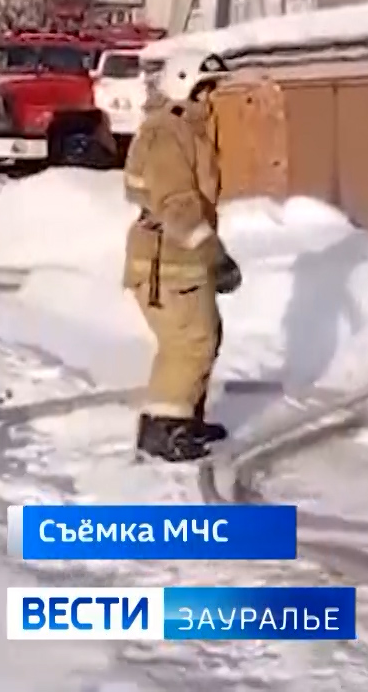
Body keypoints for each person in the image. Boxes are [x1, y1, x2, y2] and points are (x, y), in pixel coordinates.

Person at [122, 49, 241, 463]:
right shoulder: (166, 134)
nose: (209, 100)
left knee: (205, 334)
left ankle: (184, 416)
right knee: (188, 341)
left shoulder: (185, 132)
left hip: (181, 258)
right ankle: (162, 428)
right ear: (182, 86)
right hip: (164, 260)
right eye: (203, 90)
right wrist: (215, 254)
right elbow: (177, 203)